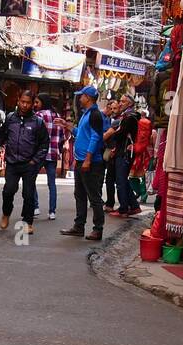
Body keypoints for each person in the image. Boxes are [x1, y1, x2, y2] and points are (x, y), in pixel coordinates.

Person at [0, 90, 48, 235]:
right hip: (12, 163)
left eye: (28, 102)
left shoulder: (38, 122)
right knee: (8, 190)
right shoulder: (10, 118)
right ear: (18, 101)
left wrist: (35, 161)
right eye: (22, 102)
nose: (25, 105)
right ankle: (6, 213)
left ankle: (28, 222)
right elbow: (2, 136)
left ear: (32, 104)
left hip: (29, 164)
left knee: (28, 194)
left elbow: (44, 144)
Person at [61, 86, 106, 241]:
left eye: (81, 96)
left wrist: (88, 159)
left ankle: (97, 229)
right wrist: (67, 126)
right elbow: (81, 133)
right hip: (81, 161)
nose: (79, 99)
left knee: (94, 197)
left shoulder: (95, 115)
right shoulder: (86, 115)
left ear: (87, 97)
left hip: (91, 163)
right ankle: (79, 226)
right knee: (79, 194)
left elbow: (95, 138)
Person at [34, 93, 66, 221]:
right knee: (52, 184)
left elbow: (33, 135)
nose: (35, 105)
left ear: (43, 102)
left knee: (31, 180)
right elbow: (62, 137)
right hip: (52, 154)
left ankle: (35, 207)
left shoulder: (39, 116)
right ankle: (52, 211)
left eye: (37, 102)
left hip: (39, 153)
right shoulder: (57, 116)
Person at [108, 98, 141, 216]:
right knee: (122, 180)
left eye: (123, 102)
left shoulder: (130, 117)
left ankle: (123, 209)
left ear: (130, 104)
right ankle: (134, 205)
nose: (120, 103)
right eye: (120, 101)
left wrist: (114, 133)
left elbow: (121, 134)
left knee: (121, 181)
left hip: (125, 153)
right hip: (122, 151)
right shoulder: (127, 116)